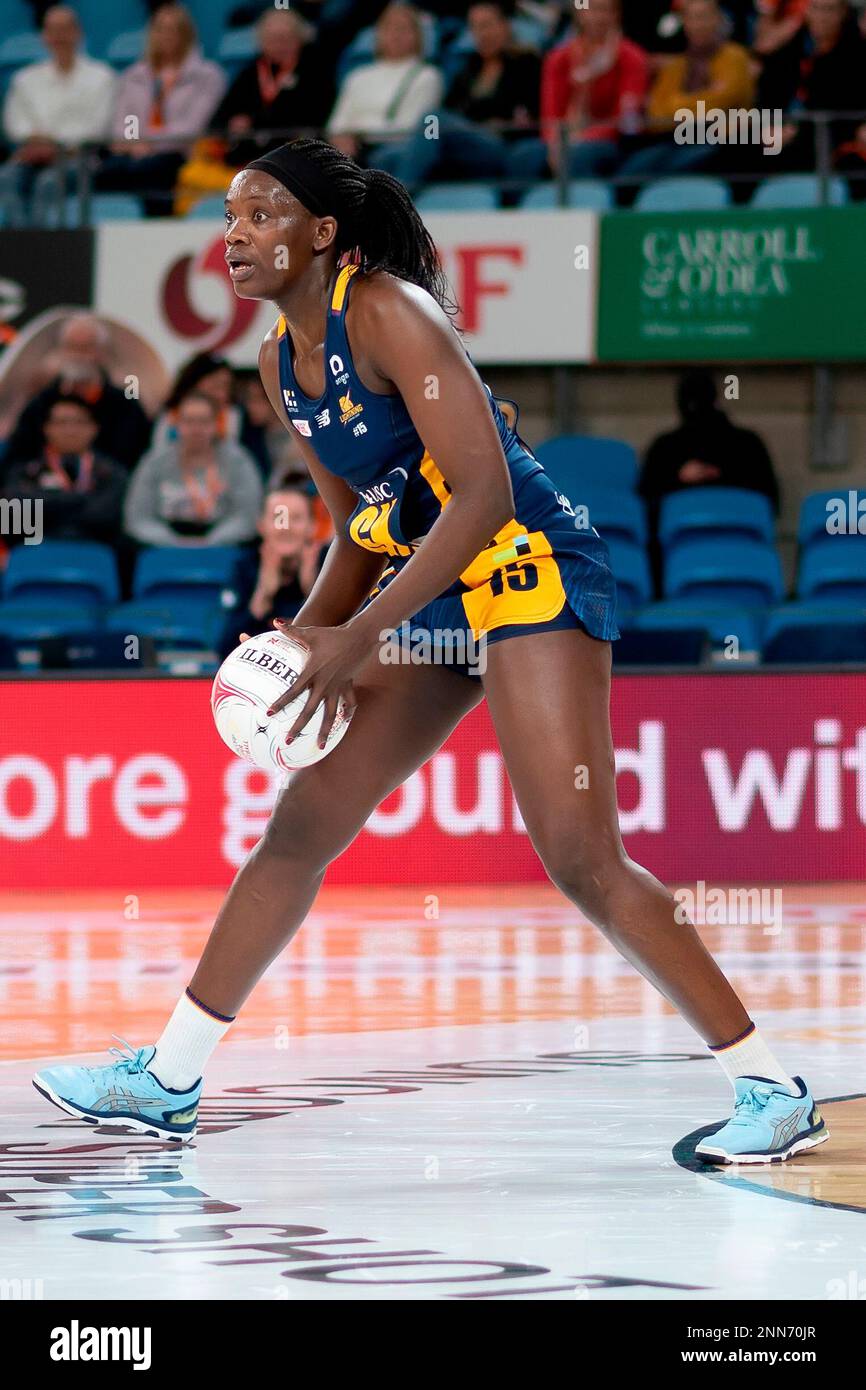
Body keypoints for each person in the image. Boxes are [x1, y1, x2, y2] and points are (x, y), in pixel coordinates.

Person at [32, 137, 829, 1170]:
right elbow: (356, 530)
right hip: (431, 591)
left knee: (579, 857)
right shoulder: (279, 360)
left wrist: (355, 638)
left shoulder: (389, 313)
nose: (235, 233)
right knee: (301, 821)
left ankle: (769, 1085)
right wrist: (306, 637)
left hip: (529, 566)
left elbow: (486, 494)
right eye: (229, 215)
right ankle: (169, 1078)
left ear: (322, 233)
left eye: (262, 214)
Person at [175, 8, 333, 214]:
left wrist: (255, 122)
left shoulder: (316, 71)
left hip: (286, 162)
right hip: (240, 161)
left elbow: (314, 119)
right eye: (272, 39)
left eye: (285, 39)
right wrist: (232, 125)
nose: (278, 45)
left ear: (299, 40)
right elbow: (219, 120)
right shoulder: (249, 73)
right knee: (189, 173)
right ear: (261, 41)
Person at [638, 370, 781, 589]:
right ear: (718, 400)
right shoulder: (748, 444)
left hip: (689, 570)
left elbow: (769, 503)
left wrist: (682, 483)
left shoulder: (665, 448)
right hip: (740, 569)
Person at [386, 2, 541, 191]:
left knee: (432, 119)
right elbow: (453, 112)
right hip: (465, 143)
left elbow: (531, 118)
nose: (482, 34)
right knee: (390, 156)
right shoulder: (467, 70)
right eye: (475, 27)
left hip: (500, 145)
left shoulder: (527, 65)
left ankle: (399, 198)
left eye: (487, 25)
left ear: (505, 25)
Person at [95, 2, 226, 216]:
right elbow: (126, 120)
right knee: (108, 172)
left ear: (186, 34)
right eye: (160, 29)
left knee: (150, 172)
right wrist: (134, 142)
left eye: (173, 29)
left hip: (178, 154)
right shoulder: (134, 76)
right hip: (135, 154)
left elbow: (192, 127)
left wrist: (151, 143)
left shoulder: (207, 76)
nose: (165, 35)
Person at [509, 0, 650, 183]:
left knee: (579, 156)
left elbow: (623, 118)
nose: (598, 17)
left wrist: (579, 140)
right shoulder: (559, 58)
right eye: (591, 9)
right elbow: (551, 113)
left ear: (616, 15)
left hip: (610, 141)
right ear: (580, 13)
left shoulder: (632, 57)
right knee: (524, 156)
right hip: (564, 137)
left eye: (605, 10)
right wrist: (557, 143)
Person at [0, 5, 115, 226]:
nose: (59, 37)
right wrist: (37, 142)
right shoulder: (25, 79)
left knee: (49, 182)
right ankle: (17, 246)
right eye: (53, 30)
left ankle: (43, 249)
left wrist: (56, 145)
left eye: (65, 29)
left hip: (78, 158)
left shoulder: (102, 77)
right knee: (6, 177)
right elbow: (15, 123)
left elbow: (102, 126)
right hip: (31, 155)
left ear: (78, 33)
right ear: (43, 36)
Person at [617, 0, 755, 180]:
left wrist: (676, 104)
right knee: (629, 173)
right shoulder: (676, 66)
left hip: (721, 140)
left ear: (718, 20)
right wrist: (704, 99)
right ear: (685, 23)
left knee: (679, 167)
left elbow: (725, 99)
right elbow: (656, 113)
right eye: (692, 19)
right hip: (673, 140)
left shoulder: (735, 57)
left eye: (704, 17)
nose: (699, 25)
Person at [2, 314, 152, 472]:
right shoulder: (41, 403)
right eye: (72, 347)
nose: (79, 356)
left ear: (103, 353)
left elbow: (135, 461)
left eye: (87, 347)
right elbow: (17, 459)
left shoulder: (125, 405)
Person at [123, 392, 262, 547]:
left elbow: (247, 516)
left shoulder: (238, 461)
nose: (196, 429)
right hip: (163, 545)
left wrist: (212, 542)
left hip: (223, 544)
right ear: (176, 424)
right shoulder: (154, 461)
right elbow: (137, 517)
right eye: (189, 421)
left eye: (204, 421)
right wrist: (172, 542)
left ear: (217, 424)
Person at [325, 3, 444, 167]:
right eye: (389, 27)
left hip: (394, 150)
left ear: (417, 35)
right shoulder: (357, 76)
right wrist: (343, 139)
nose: (396, 34)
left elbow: (411, 128)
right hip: (353, 150)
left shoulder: (427, 75)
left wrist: (360, 133)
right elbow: (337, 124)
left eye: (403, 28)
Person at [1, 397, 126, 544]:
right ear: (46, 428)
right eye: (61, 422)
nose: (70, 430)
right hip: (34, 550)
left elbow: (104, 517)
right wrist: (78, 499)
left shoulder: (112, 472)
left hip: (95, 550)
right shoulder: (26, 471)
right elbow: (14, 514)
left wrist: (49, 507)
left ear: (94, 428)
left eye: (79, 422)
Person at [232, 484, 330, 644]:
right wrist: (263, 595)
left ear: (313, 526)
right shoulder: (247, 564)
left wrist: (313, 593)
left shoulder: (331, 562)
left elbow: (347, 642)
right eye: (278, 518)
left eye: (296, 518)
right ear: (261, 526)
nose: (286, 528)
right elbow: (225, 648)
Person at [152, 352, 243, 449]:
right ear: (192, 385)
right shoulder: (169, 418)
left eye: (226, 387)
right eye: (215, 387)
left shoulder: (235, 417)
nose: (222, 395)